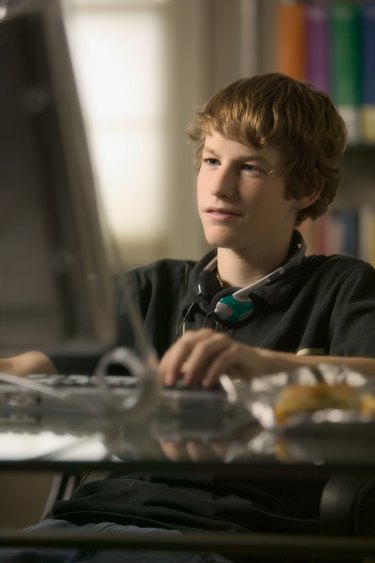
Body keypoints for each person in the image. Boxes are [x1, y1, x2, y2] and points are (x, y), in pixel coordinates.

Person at [2, 72, 375, 562]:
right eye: (212, 160)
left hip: (216, 540)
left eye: (252, 168)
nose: (219, 186)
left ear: (305, 188)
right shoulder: (151, 288)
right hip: (82, 527)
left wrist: (261, 366)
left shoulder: (342, 287)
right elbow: (25, 372)